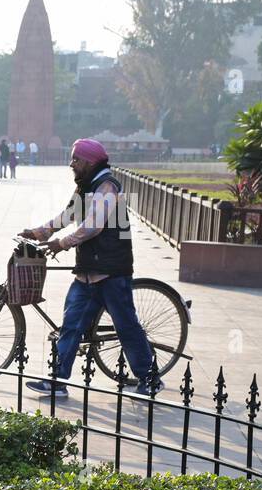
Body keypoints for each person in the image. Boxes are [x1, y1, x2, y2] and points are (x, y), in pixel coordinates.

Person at [19, 138, 158, 398]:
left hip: (111, 271)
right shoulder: (87, 186)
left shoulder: (107, 187)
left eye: (76, 159)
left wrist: (62, 243)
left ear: (90, 162)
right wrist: (39, 232)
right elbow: (68, 215)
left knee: (126, 327)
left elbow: (94, 225)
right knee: (71, 325)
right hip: (88, 271)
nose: (72, 164)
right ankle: (58, 381)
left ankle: (149, 378)